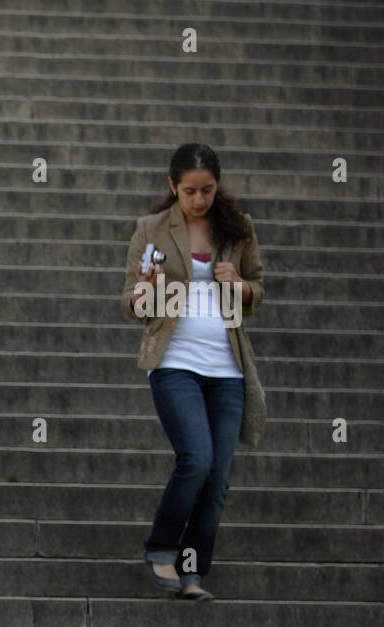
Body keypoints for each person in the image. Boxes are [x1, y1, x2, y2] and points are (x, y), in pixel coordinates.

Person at [122, 143, 265, 601]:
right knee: (196, 459)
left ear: (217, 186)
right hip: (173, 359)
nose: (199, 200)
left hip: (228, 367)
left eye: (207, 190)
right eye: (189, 191)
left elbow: (258, 287)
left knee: (218, 476)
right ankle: (160, 546)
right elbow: (130, 302)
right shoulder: (151, 229)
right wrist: (146, 293)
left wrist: (239, 285)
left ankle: (192, 569)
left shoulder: (238, 229)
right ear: (172, 187)